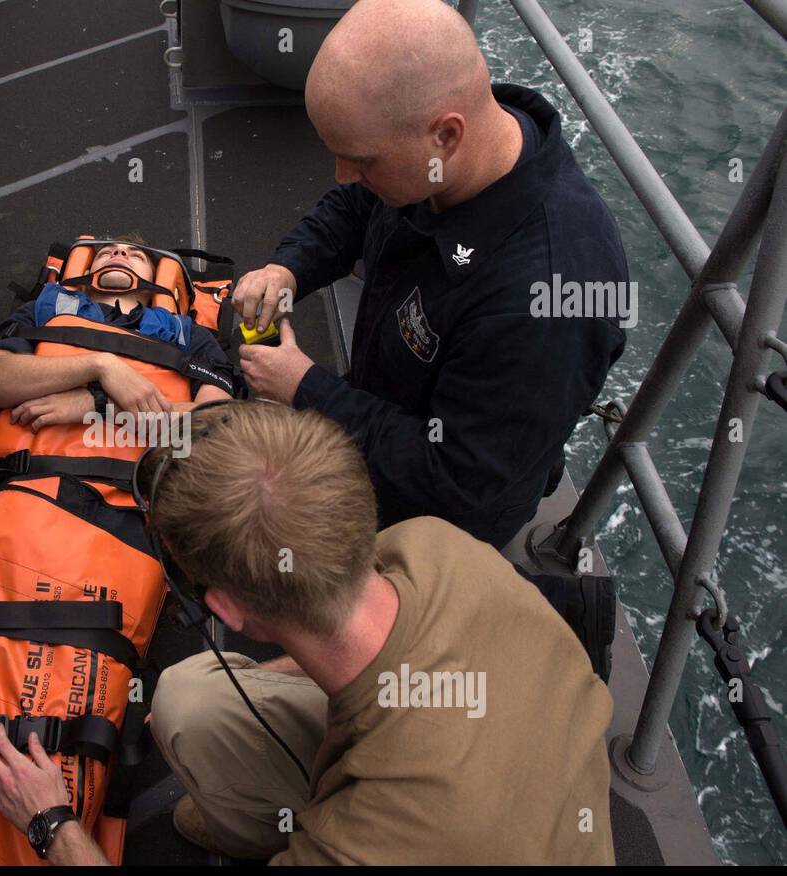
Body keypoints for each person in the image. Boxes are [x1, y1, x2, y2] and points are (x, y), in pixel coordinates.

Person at [0, 401, 615, 865]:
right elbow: (348, 653)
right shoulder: (437, 544)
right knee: (192, 700)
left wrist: (49, 821)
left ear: (225, 610)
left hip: (435, 834)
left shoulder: (372, 840)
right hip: (508, 787)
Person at [234, 0, 627, 553]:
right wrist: (287, 269)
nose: (344, 177)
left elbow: (457, 480)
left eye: (363, 161)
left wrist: (306, 388)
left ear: (445, 135)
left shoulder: (547, 301)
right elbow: (354, 206)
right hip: (382, 413)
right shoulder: (448, 159)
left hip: (438, 526)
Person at [0, 236, 234, 422]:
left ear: (153, 279)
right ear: (88, 271)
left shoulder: (187, 333)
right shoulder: (46, 309)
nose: (118, 254)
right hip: (28, 485)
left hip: (146, 490)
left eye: (136, 255)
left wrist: (101, 406)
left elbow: (221, 421)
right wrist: (99, 366)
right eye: (106, 252)